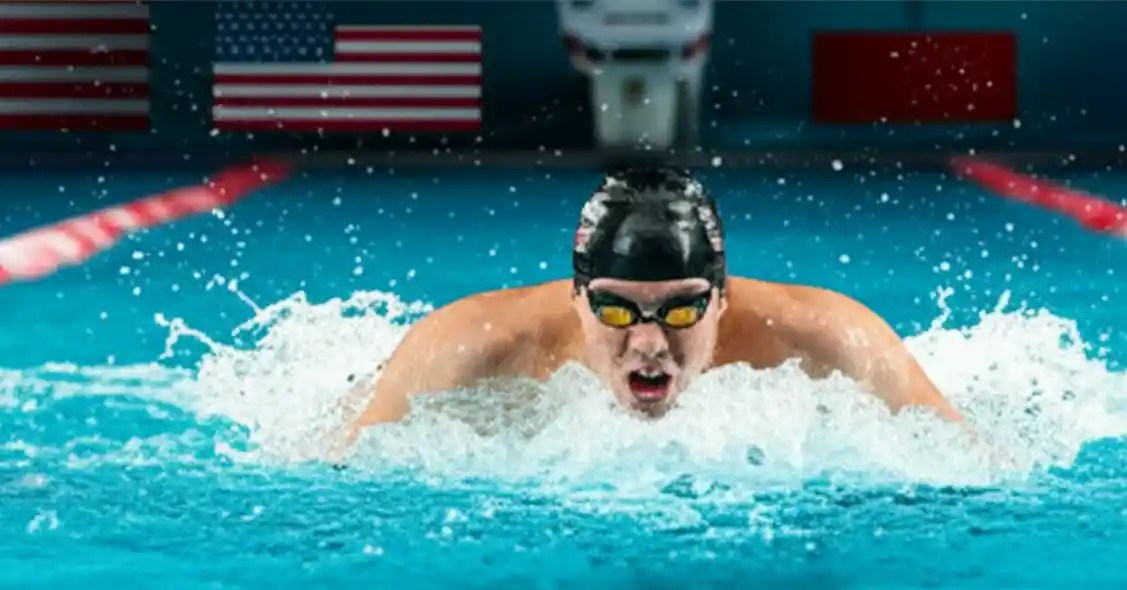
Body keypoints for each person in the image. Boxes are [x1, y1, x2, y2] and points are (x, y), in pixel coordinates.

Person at [345, 166, 961, 440]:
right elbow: (346, 476)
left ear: (722, 299)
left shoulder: (829, 339)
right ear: (577, 299)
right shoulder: (465, 349)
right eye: (616, 309)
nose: (648, 344)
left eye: (682, 309)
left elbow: (968, 462)